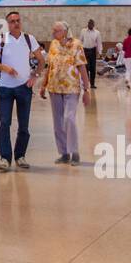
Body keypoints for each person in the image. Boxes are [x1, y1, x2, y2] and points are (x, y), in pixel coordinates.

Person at [0, 10, 43, 171]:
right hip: (5, 88)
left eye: (18, 20)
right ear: (7, 24)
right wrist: (5, 68)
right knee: (4, 124)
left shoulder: (29, 39)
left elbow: (41, 60)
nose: (16, 23)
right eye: (12, 21)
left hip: (24, 87)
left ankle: (20, 156)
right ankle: (5, 158)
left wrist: (35, 75)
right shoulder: (2, 40)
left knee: (24, 125)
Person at [40, 21, 87, 165]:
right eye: (53, 31)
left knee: (69, 119)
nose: (53, 33)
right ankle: (64, 153)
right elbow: (49, 66)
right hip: (54, 88)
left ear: (65, 32)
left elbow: (82, 67)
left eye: (56, 31)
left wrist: (87, 89)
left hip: (71, 88)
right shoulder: (53, 44)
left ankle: (75, 152)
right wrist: (43, 84)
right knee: (58, 122)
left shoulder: (77, 44)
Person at [80, 19, 101, 90]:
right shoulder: (83, 31)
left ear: (93, 25)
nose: (90, 25)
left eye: (92, 24)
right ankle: (86, 83)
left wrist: (99, 52)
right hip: (85, 50)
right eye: (89, 24)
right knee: (86, 68)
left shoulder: (97, 33)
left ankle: (92, 84)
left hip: (93, 51)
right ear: (88, 24)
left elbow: (99, 43)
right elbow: (80, 41)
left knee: (93, 68)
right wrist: (79, 51)